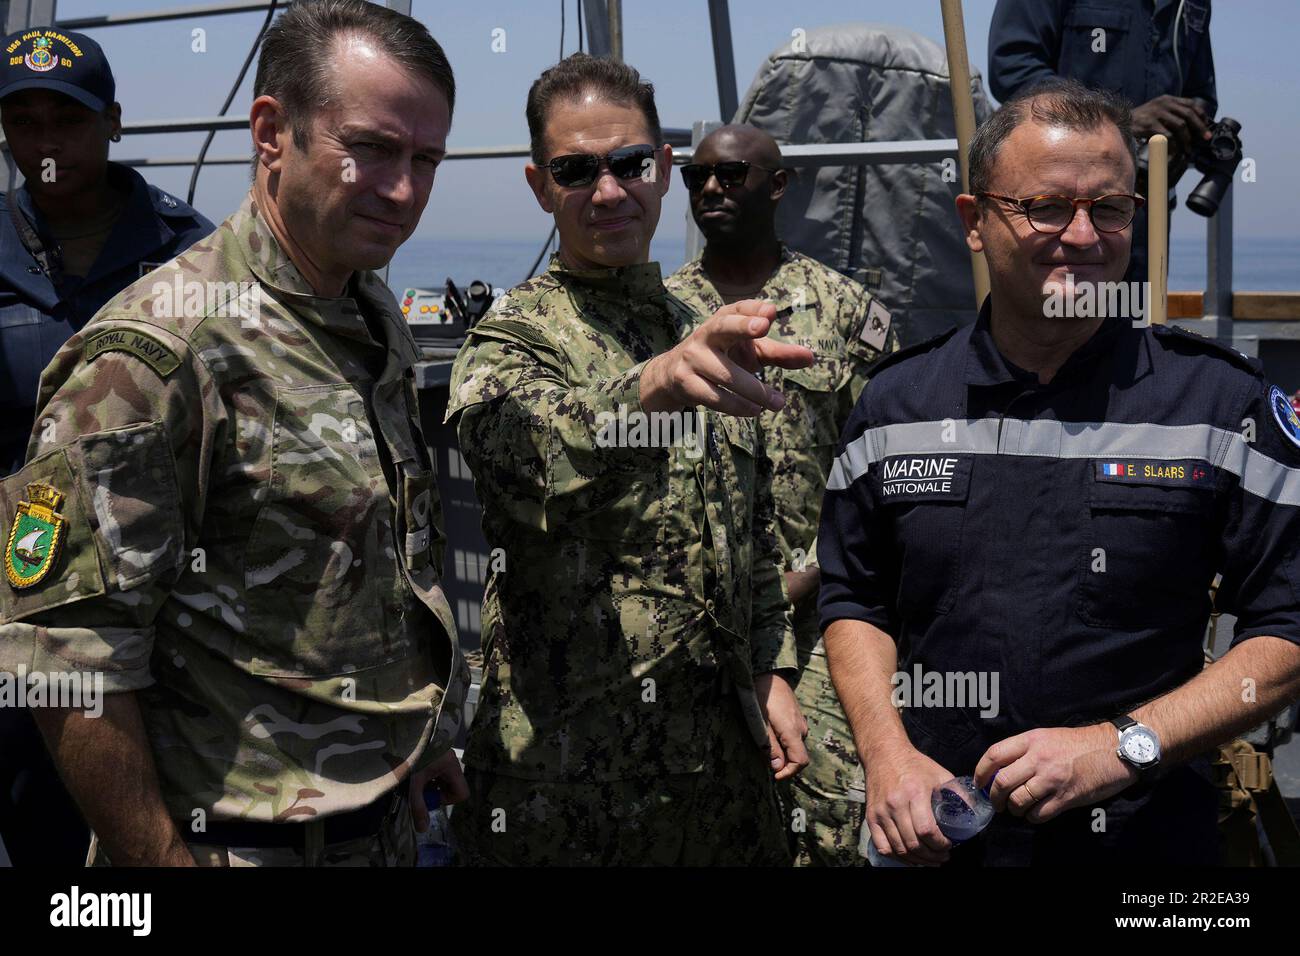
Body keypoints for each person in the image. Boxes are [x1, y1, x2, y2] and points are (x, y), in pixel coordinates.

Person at [0, 0, 468, 867]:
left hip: (379, 827)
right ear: (270, 132)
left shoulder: (363, 312)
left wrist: (419, 733)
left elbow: (375, 560)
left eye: (426, 159)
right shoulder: (151, 356)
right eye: (370, 148)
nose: (403, 189)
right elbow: (65, 666)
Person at [818, 79, 1300, 867]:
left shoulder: (1221, 407)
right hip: (937, 845)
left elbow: (1289, 627)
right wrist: (886, 756)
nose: (1082, 236)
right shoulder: (895, 406)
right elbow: (854, 599)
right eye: (1046, 207)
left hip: (1146, 854)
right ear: (975, 223)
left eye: (1108, 209)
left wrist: (1123, 748)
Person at [446, 54, 815, 866]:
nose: (609, 192)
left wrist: (770, 667)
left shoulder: (702, 322)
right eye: (576, 171)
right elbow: (528, 456)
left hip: (719, 779)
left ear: (663, 169)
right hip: (565, 791)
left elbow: (749, 528)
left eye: (630, 165)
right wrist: (653, 387)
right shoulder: (513, 336)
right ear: (541, 187)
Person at [0, 27, 213, 867]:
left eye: (69, 120)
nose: (46, 144)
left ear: (115, 121)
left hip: (151, 602)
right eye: (25, 122)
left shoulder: (188, 250)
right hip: (18, 589)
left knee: (139, 813)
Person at [664, 124, 896, 866]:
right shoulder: (660, 320)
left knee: (831, 811)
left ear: (778, 184)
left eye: (731, 176)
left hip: (826, 615)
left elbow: (885, 472)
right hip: (703, 618)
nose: (710, 191)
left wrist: (822, 571)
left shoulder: (845, 312)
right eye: (695, 177)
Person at [988, 0, 1217, 285]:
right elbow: (1013, 69)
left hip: (1146, 214)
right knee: (1060, 317)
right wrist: (1119, 122)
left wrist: (1192, 128)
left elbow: (1201, 94)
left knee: (1135, 320)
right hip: (1059, 214)